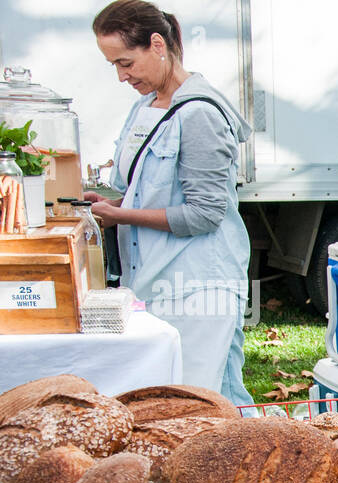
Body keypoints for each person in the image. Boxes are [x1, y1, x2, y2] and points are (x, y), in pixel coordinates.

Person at [85, 0, 255, 407]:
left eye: (126, 63)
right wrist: (110, 201)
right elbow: (145, 189)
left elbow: (204, 213)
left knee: (193, 404)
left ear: (157, 44)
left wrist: (120, 214)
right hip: (155, 280)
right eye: (114, 66)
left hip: (198, 286)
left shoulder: (199, 114)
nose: (122, 76)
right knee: (219, 400)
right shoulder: (143, 107)